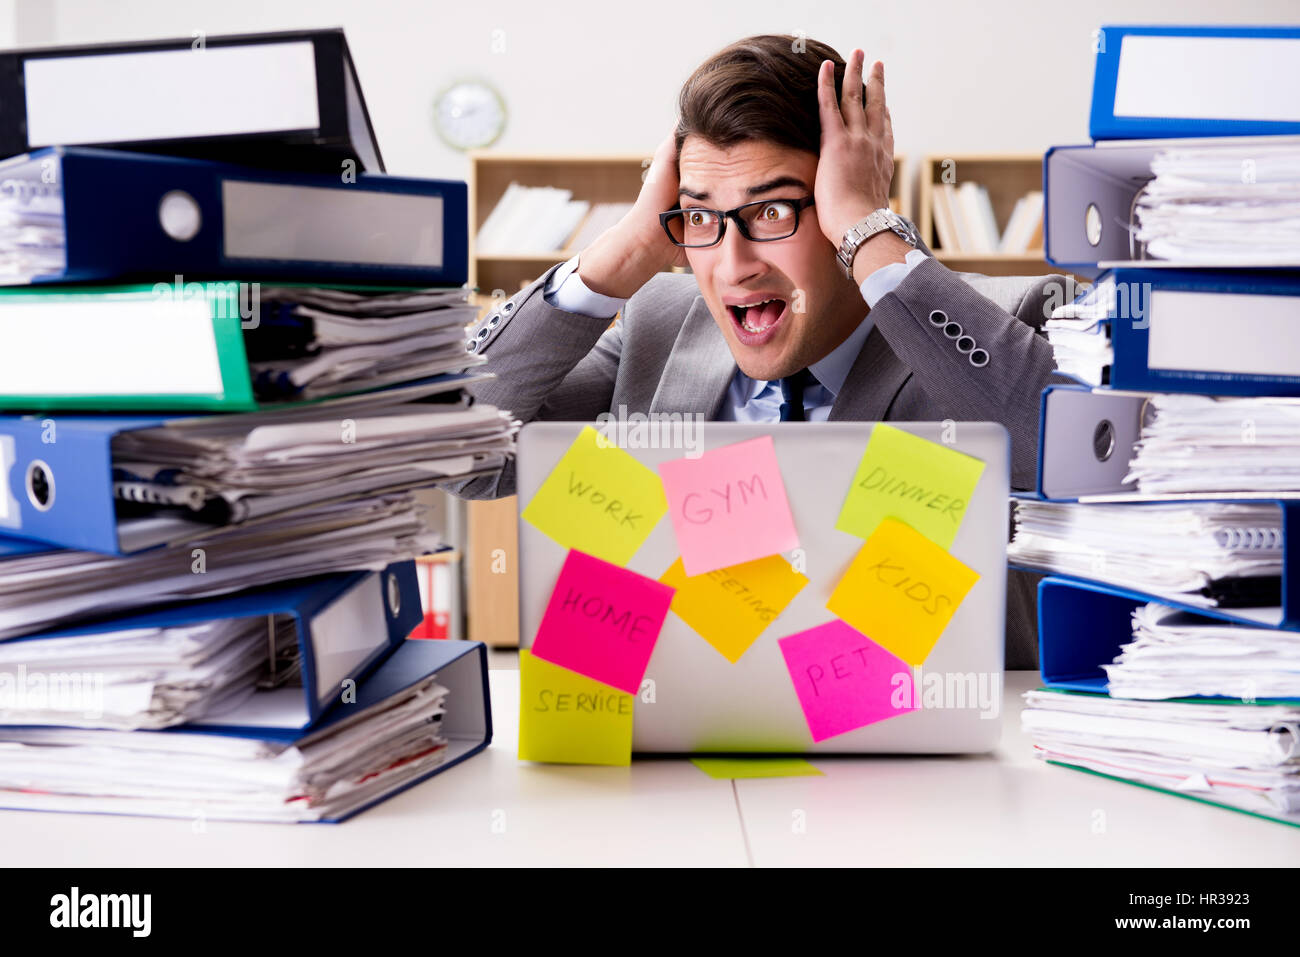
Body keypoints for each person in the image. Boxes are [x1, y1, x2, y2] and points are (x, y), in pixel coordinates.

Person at [451, 34, 1075, 669]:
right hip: (681, 743)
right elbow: (460, 456)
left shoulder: (1003, 326)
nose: (733, 266)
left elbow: (1068, 459)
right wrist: (621, 257)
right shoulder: (659, 331)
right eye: (700, 219)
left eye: (773, 209)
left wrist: (867, 224)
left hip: (935, 754)